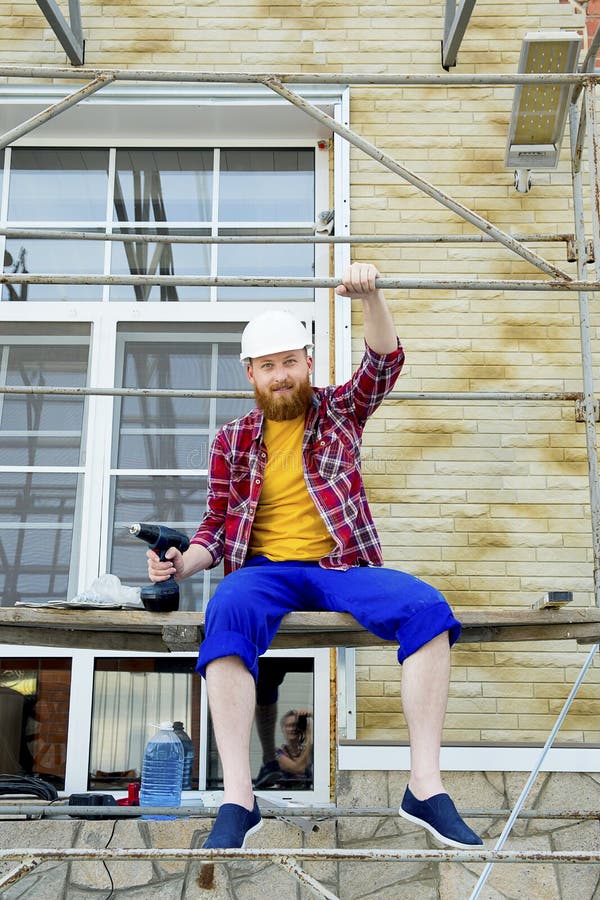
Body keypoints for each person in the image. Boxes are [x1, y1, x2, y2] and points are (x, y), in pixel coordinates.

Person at [147, 262, 483, 851]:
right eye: (268, 367)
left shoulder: (338, 412)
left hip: (343, 567)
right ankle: (237, 800)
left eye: (290, 363)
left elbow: (383, 365)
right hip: (264, 573)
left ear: (307, 361)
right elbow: (218, 527)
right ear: (250, 373)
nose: (281, 377)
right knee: (226, 611)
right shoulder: (231, 439)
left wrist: (371, 297)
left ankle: (425, 787)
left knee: (428, 609)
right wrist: (181, 563)